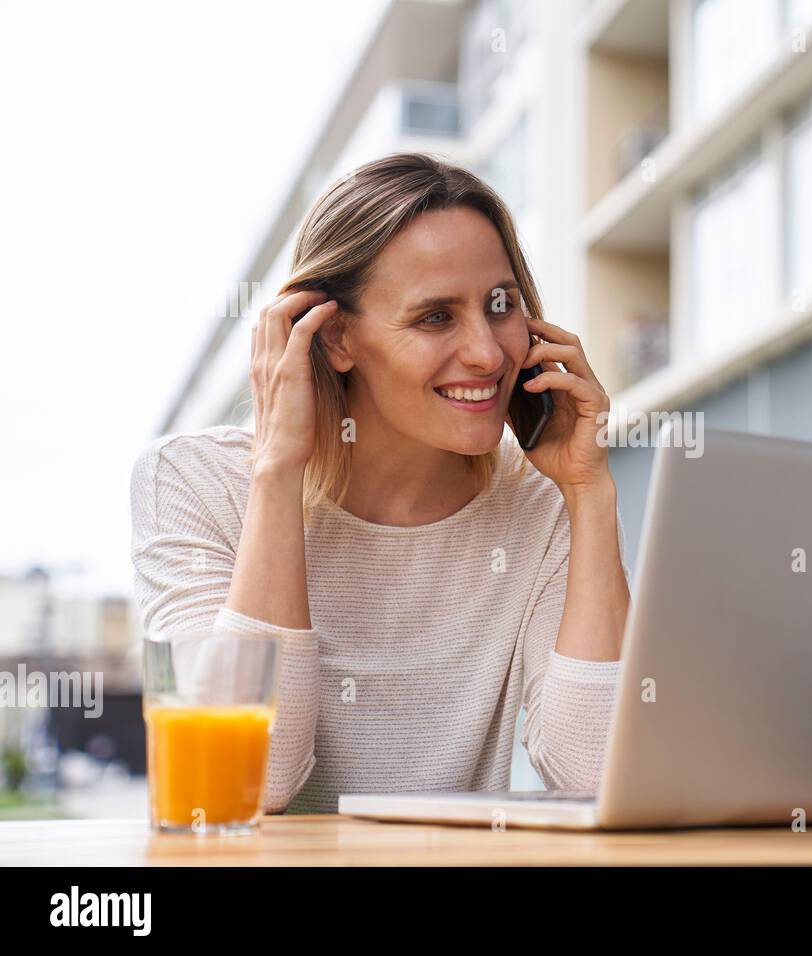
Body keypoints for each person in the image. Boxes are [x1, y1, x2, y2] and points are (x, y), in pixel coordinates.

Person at [129, 153, 631, 813]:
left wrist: (589, 494)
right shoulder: (193, 483)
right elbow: (249, 782)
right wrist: (277, 470)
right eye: (435, 317)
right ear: (335, 337)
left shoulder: (542, 502)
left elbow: (598, 770)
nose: (487, 352)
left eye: (500, 304)